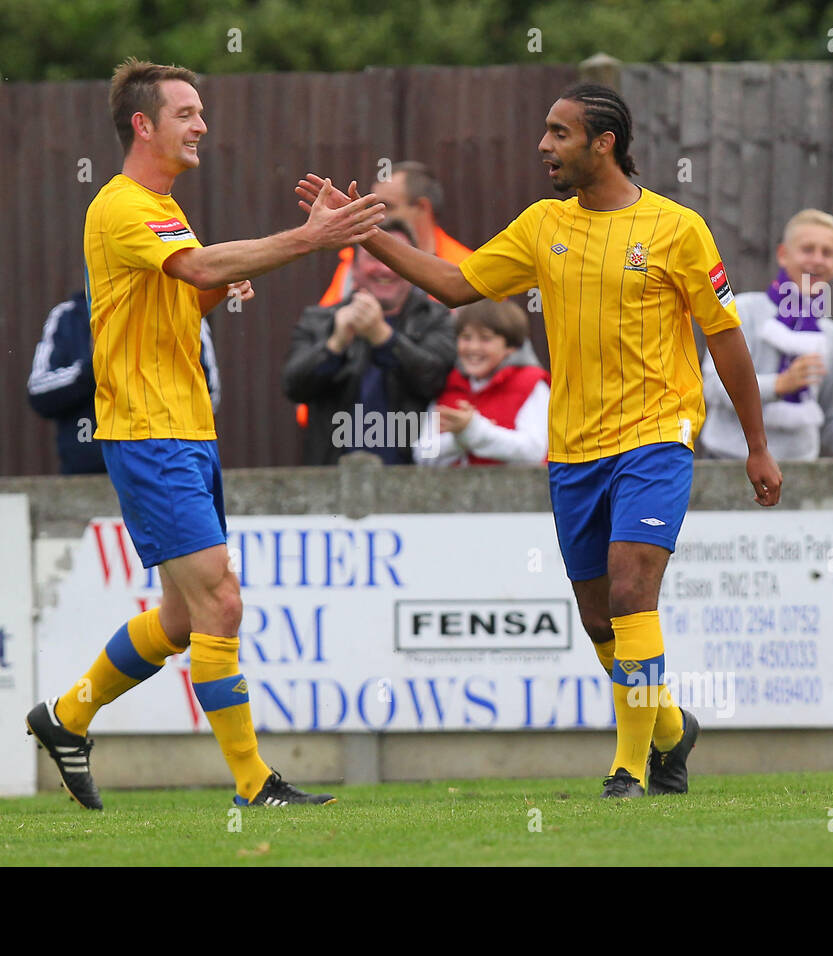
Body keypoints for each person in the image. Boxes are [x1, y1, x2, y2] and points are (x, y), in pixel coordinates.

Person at [296, 82, 782, 799]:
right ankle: (671, 730)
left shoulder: (678, 229)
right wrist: (363, 232)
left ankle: (627, 767)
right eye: (545, 132)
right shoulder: (542, 225)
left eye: (559, 133)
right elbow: (456, 285)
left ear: (603, 143)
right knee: (596, 615)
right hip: (573, 447)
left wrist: (756, 444)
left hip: (657, 436)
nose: (543, 146)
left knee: (630, 587)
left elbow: (726, 341)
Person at [25, 58, 385, 810]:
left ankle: (67, 716)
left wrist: (214, 288)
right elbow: (193, 264)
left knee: (186, 617)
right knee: (222, 600)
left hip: (185, 429)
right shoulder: (124, 205)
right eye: (187, 112)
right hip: (148, 433)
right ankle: (255, 786)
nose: (202, 125)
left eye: (201, 111)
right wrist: (306, 240)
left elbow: (177, 297)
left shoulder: (160, 206)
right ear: (143, 125)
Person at [701, 209, 833, 461]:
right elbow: (712, 387)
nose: (817, 260)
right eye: (808, 250)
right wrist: (779, 384)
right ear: (783, 255)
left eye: (827, 253)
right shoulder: (744, 310)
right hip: (728, 465)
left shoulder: (830, 335)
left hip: (798, 474)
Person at [282, 217, 455, 465]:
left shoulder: (437, 319)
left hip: (416, 484)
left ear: (412, 266)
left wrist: (383, 338)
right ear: (352, 268)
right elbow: (293, 386)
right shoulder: (319, 319)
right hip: (334, 483)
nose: (385, 269)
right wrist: (335, 345)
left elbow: (436, 380)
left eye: (394, 259)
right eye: (374, 258)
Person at [27, 291, 222, 475]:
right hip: (87, 473)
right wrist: (98, 367)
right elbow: (39, 392)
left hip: (163, 465)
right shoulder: (68, 315)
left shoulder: (181, 306)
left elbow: (207, 395)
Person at [414, 299, 549, 467]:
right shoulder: (450, 385)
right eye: (466, 337)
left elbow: (535, 452)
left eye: (485, 339)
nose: (473, 347)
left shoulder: (531, 385)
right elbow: (422, 454)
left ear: (511, 346)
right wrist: (461, 438)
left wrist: (474, 430)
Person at [317, 160, 471, 307]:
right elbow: (325, 325)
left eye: (387, 207)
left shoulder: (463, 267)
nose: (375, 215)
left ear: (423, 207)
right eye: (373, 207)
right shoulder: (355, 261)